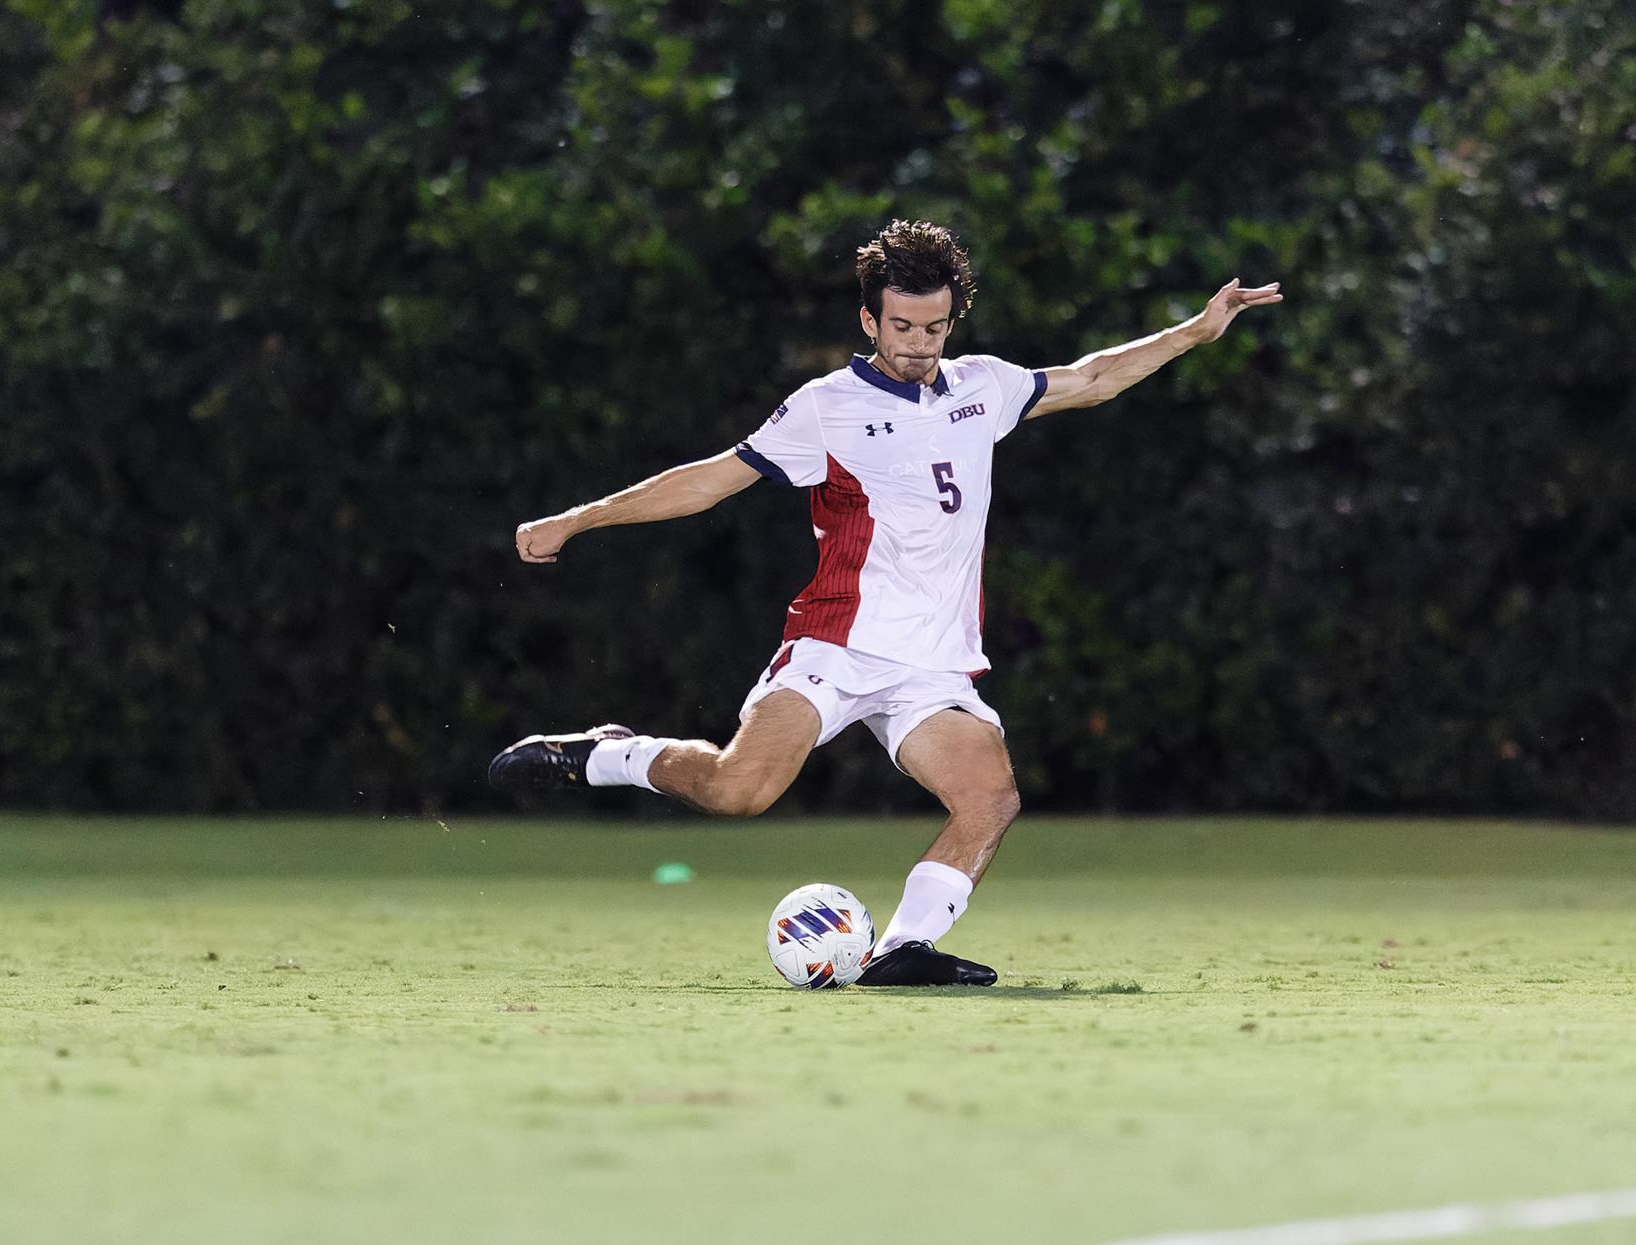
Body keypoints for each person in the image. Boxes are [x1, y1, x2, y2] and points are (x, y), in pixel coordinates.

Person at [491, 219, 1283, 986]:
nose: (917, 344)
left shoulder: (983, 386)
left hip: (931, 666)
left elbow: (1093, 377)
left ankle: (904, 946)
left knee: (990, 798)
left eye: (934, 327)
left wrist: (1194, 332)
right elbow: (710, 480)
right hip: (838, 643)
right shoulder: (826, 406)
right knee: (740, 790)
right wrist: (578, 519)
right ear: (869, 320)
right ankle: (611, 754)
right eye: (900, 326)